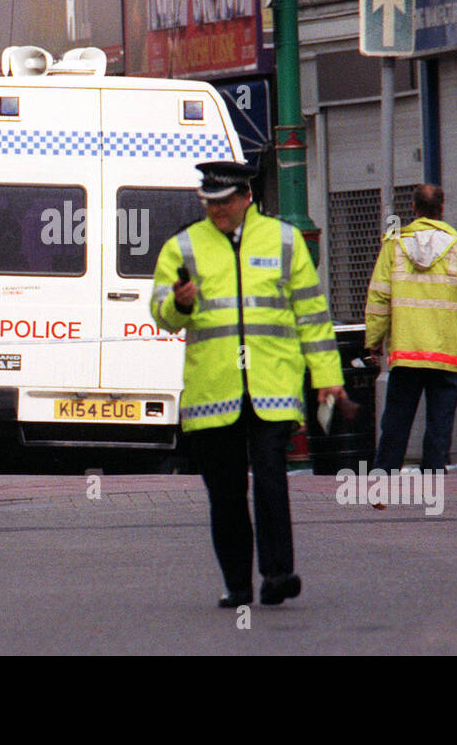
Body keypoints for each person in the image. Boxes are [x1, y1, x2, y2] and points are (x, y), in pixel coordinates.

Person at [151, 161, 346, 608]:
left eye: (224, 204)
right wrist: (179, 305)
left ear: (246, 198)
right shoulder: (182, 246)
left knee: (272, 481)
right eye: (210, 204)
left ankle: (278, 573)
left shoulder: (283, 240)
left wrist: (328, 378)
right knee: (225, 493)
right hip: (212, 393)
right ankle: (236, 584)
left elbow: (312, 315)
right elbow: (159, 311)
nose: (216, 212)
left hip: (272, 388)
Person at [365, 184, 457, 472]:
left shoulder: (394, 244)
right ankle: (432, 477)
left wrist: (373, 340)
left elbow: (379, 295)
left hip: (407, 350)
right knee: (440, 422)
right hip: (446, 351)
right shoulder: (456, 245)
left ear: (414, 209)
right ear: (440, 210)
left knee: (396, 419)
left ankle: (385, 474)